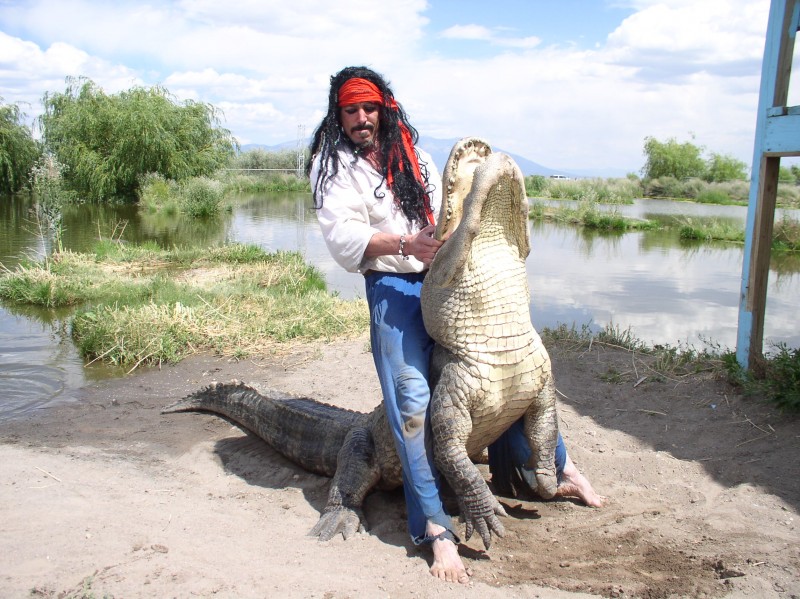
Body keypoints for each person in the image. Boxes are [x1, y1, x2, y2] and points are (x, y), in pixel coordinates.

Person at [307, 65, 604, 585]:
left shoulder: (412, 156)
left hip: (436, 276)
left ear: (384, 107)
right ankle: (434, 530)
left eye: (368, 108)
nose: (360, 118)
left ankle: (558, 468)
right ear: (339, 114)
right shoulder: (332, 167)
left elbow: (444, 210)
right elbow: (344, 241)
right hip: (393, 286)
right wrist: (403, 244)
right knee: (415, 399)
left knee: (502, 362)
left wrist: (446, 234)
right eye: (350, 110)